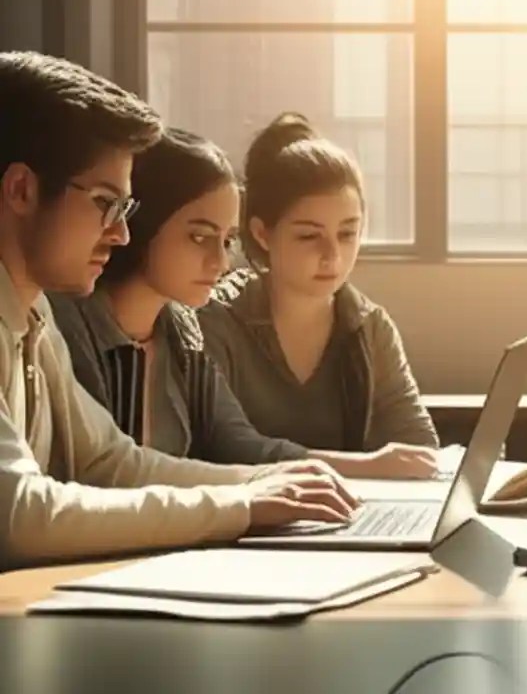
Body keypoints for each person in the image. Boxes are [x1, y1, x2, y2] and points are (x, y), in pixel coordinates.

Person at [0, 52, 355, 568]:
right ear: (21, 190)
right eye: (104, 202)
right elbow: (20, 517)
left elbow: (107, 460)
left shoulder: (34, 315)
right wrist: (237, 506)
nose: (121, 233)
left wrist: (260, 483)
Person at [50, 129, 430, 478]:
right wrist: (250, 499)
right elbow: (111, 472)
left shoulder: (182, 329)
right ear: (145, 222)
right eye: (199, 237)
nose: (220, 262)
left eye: (227, 240)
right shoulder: (69, 324)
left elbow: (239, 443)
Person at [199, 113, 440, 464]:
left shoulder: (370, 326)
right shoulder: (217, 320)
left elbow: (417, 442)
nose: (333, 255)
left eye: (347, 233)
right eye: (309, 236)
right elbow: (231, 446)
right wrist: (366, 468)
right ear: (263, 233)